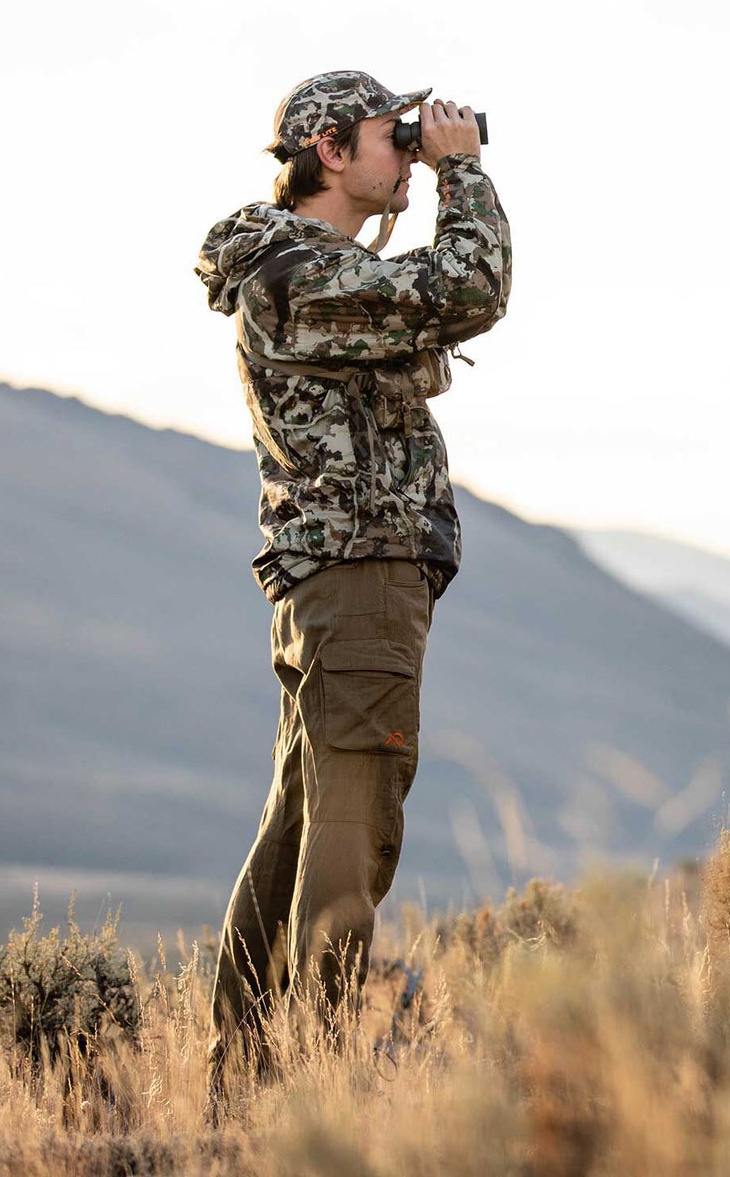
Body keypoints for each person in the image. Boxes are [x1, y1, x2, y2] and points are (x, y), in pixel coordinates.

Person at [194, 70, 511, 1094]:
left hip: (337, 574)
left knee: (301, 820)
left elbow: (422, 311)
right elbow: (468, 290)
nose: (409, 150)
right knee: (354, 815)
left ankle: (244, 1079)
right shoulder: (299, 275)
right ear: (328, 151)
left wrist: (427, 169)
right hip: (359, 568)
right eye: (392, 136)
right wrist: (461, 170)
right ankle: (312, 1077)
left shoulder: (305, 268)